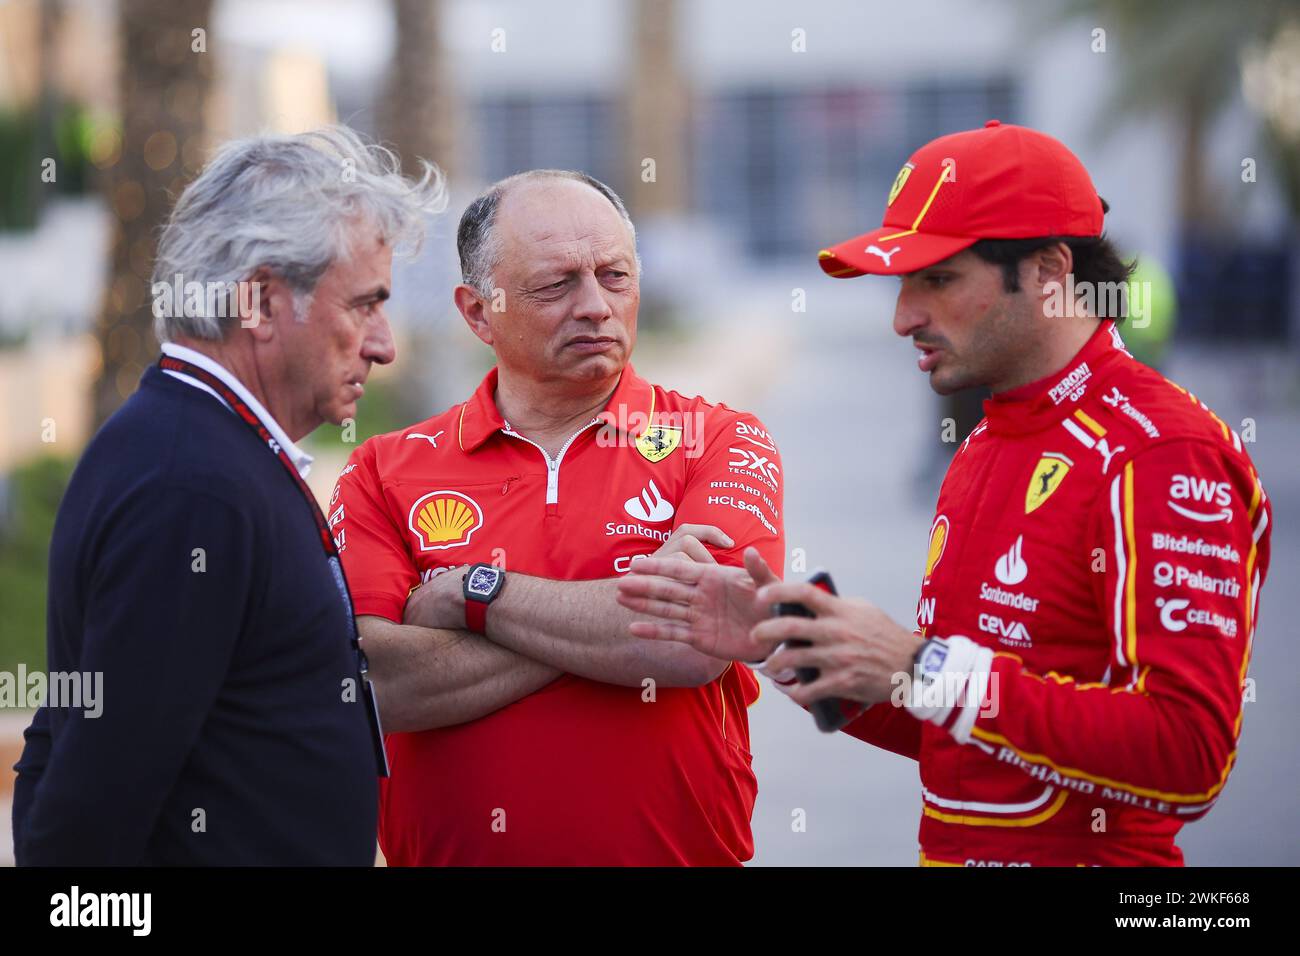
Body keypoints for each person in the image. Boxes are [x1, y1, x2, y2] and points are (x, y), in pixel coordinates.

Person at [617, 121, 1272, 867]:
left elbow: (1188, 758)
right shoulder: (986, 443)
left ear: (1051, 272)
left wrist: (917, 666)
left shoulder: (1161, 452)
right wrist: (808, 649)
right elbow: (968, 741)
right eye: (903, 282)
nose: (903, 317)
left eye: (938, 279)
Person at [12, 126, 447, 865]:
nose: (384, 344)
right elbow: (84, 828)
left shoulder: (201, 449)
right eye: (364, 306)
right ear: (261, 302)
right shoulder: (195, 489)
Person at [330, 169, 785, 865]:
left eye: (616, 275)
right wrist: (616, 619)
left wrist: (472, 593)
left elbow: (696, 642)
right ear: (478, 311)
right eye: (556, 284)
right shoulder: (381, 471)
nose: (596, 306)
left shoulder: (720, 440)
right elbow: (379, 686)